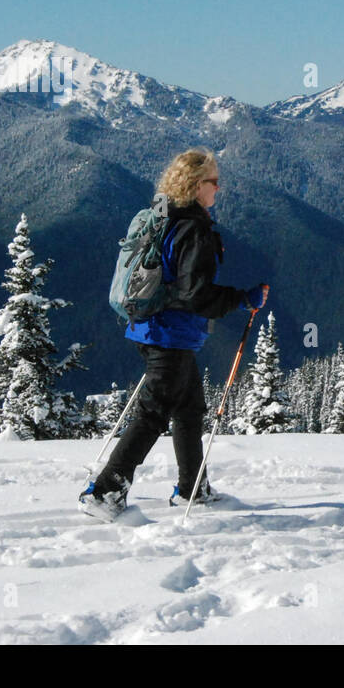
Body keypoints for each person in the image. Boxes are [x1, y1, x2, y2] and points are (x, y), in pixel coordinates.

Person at [79, 147, 268, 520]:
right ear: (197, 185)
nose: (219, 188)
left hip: (148, 326)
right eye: (214, 181)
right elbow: (195, 294)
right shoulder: (193, 229)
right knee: (153, 413)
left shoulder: (163, 216)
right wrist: (243, 299)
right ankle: (105, 492)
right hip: (170, 333)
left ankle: (192, 488)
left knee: (189, 409)